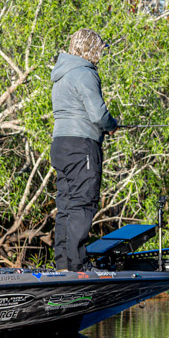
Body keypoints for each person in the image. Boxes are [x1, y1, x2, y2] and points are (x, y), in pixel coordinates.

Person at [50, 29, 118, 271]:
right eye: (99, 49)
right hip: (82, 147)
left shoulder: (61, 74)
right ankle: (78, 265)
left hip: (60, 145)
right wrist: (112, 125)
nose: (100, 54)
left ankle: (63, 264)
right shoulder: (85, 73)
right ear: (91, 49)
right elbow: (98, 115)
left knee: (66, 204)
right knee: (83, 202)